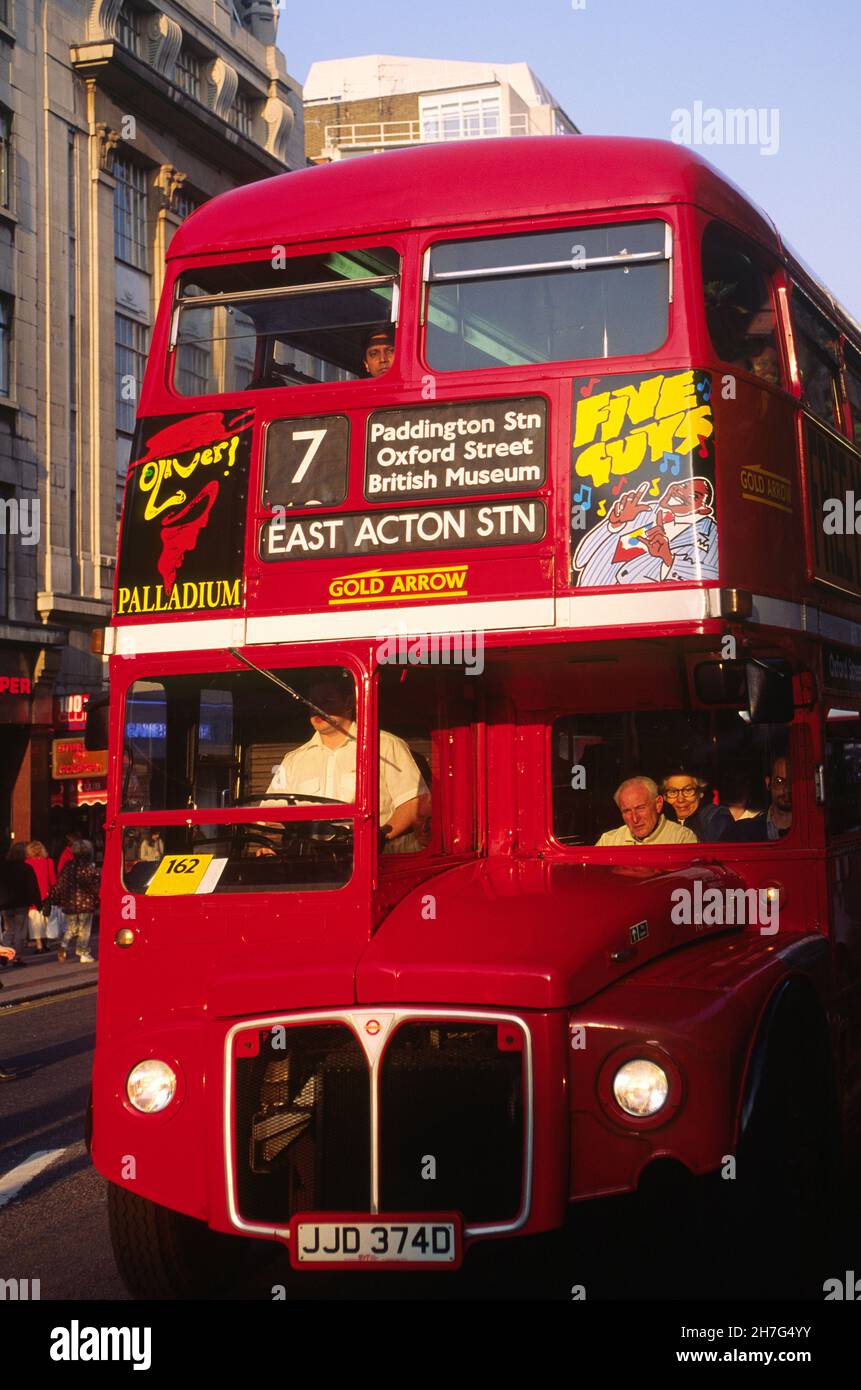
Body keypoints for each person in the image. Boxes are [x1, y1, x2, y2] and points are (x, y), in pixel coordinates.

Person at [266, 677, 428, 851]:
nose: (316, 709)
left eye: (327, 701)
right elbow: (270, 815)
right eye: (312, 702)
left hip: (370, 860)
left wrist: (378, 838)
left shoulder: (385, 746)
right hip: (308, 863)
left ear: (349, 702)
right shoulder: (292, 761)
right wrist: (270, 845)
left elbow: (415, 804)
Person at [596, 776, 699, 847]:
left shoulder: (682, 839)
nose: (635, 819)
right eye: (627, 811)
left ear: (658, 804)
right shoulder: (608, 841)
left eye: (640, 808)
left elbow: (695, 878)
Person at [45, 839, 100, 964]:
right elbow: (95, 884)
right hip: (86, 901)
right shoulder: (89, 867)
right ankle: (83, 953)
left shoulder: (68, 866)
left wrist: (55, 897)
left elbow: (61, 883)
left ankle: (63, 945)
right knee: (84, 930)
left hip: (69, 901)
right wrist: (97, 898)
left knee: (72, 928)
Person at [726, 757, 792, 842]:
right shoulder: (741, 832)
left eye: (791, 782)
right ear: (768, 783)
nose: (786, 789)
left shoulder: (810, 829)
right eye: (779, 782)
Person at [660, 770, 734, 842]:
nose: (680, 799)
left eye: (688, 790)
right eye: (673, 792)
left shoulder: (715, 818)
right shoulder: (658, 821)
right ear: (664, 796)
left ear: (700, 793)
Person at [0, 842, 41, 965]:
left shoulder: (3, 867)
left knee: (8, 930)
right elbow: (33, 887)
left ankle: (4, 955)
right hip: (21, 903)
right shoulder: (26, 868)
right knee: (20, 931)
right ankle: (17, 957)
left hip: (5, 903)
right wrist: (38, 903)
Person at [25, 841, 57, 953]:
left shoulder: (27, 863)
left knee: (35, 921)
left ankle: (39, 944)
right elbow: (53, 880)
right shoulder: (49, 862)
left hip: (33, 895)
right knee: (46, 920)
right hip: (46, 895)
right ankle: (47, 943)